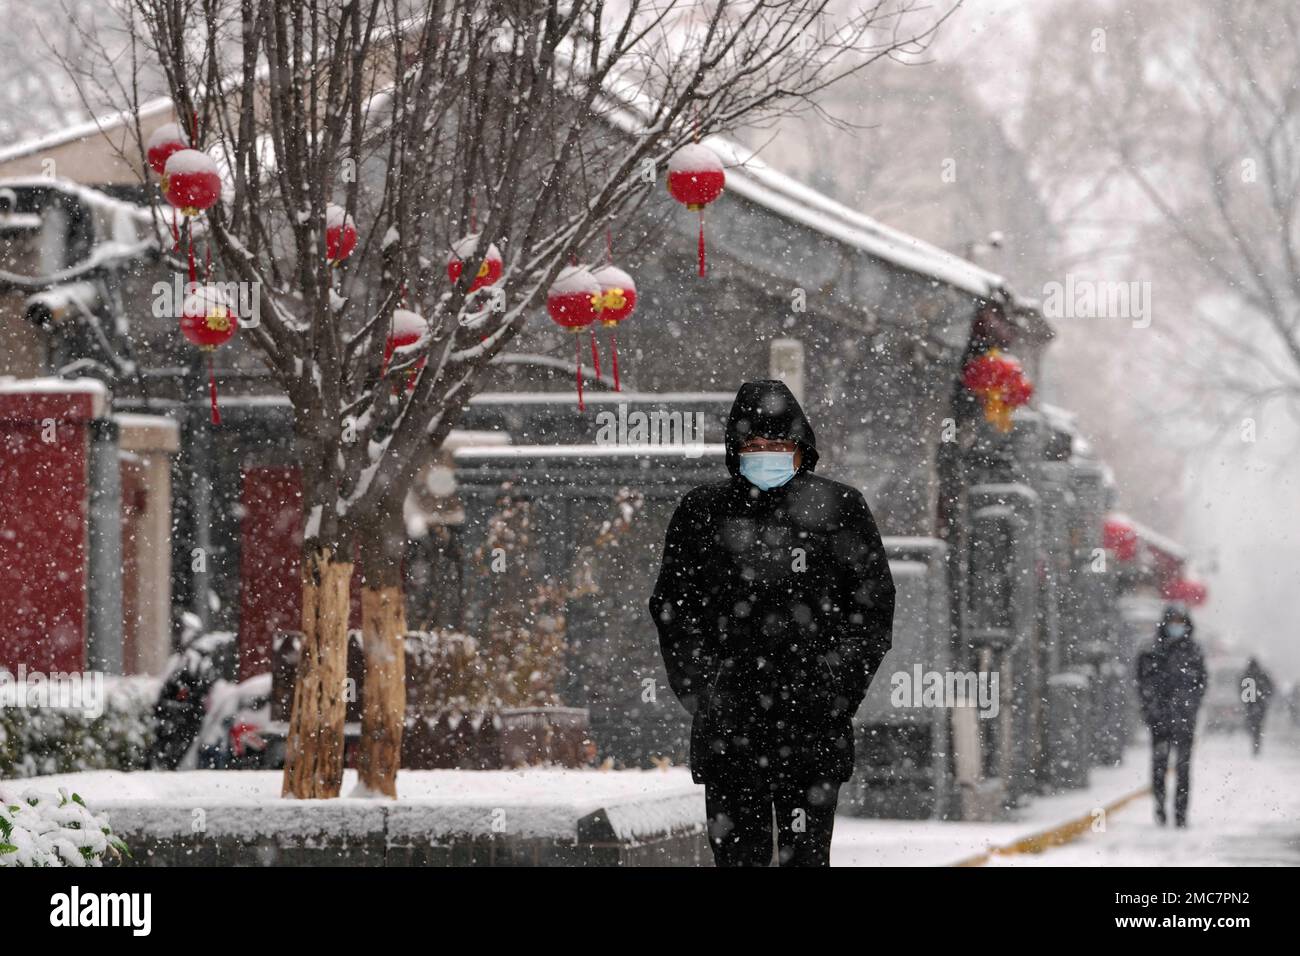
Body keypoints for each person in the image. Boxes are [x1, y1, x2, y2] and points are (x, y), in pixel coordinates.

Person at [649, 380, 895, 866]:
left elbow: (872, 608)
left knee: (806, 858)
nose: (766, 456)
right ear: (734, 451)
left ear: (802, 450)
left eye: (779, 446)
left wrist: (836, 682)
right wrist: (704, 688)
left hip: (813, 727)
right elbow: (673, 608)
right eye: (754, 446)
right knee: (738, 857)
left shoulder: (839, 509)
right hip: (729, 729)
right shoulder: (702, 512)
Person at [1135, 606, 1207, 828]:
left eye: (1180, 622)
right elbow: (1142, 682)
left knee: (1183, 769)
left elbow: (1201, 684)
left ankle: (1181, 812)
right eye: (1173, 622)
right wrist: (1152, 709)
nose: (1176, 626)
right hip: (1160, 721)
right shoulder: (1152, 651)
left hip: (1184, 720)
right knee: (1159, 766)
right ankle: (1160, 808)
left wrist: (1190, 706)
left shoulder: (1193, 651)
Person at [1240, 657, 1274, 757]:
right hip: (1260, 704)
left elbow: (1241, 688)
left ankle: (1255, 741)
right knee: (1258, 725)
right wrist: (1266, 698)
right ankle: (1256, 742)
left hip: (1251, 704)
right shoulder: (1262, 674)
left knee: (1253, 724)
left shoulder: (1247, 675)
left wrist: (1245, 700)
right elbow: (1270, 688)